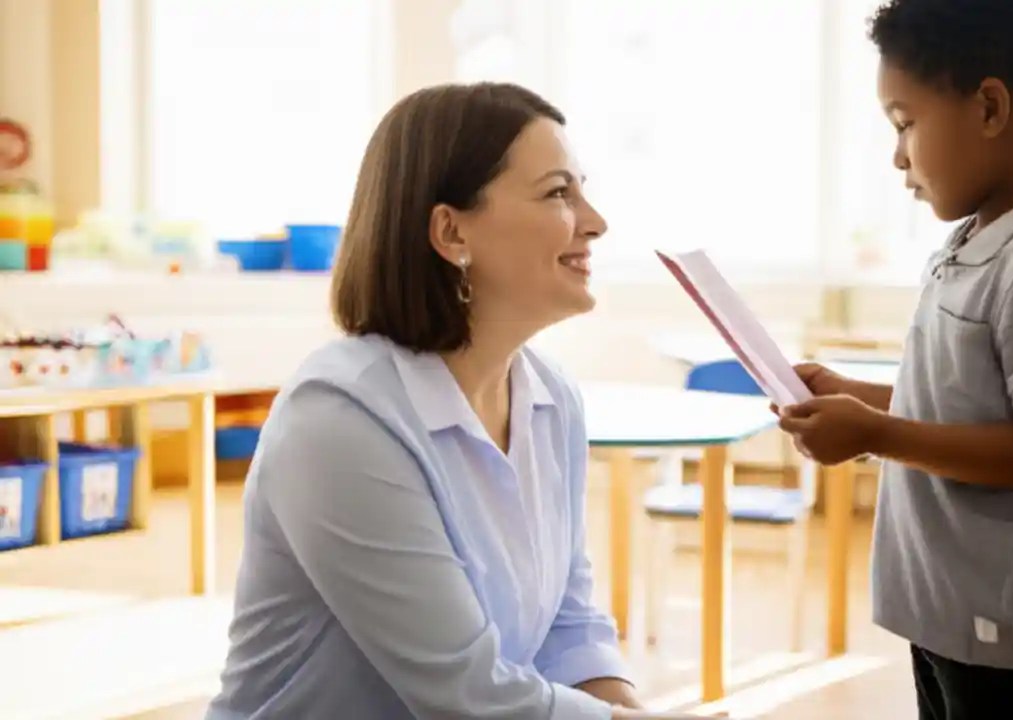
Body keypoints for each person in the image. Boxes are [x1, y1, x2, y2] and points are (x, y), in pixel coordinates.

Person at [206, 83, 701, 720]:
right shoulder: (338, 418)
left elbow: (568, 627)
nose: (595, 221)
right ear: (450, 231)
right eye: (558, 192)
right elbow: (465, 694)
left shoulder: (550, 397)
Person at [776, 1, 1013, 718]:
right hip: (954, 607)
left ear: (990, 106)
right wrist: (856, 394)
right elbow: (958, 398)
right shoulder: (975, 244)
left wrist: (873, 434)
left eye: (905, 123)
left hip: (1009, 628)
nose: (898, 155)